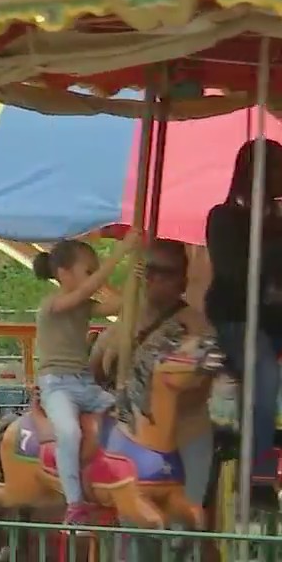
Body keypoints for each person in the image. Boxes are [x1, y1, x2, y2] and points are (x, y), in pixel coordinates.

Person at [91, 240, 216, 506]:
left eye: (165, 272)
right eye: (148, 270)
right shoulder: (126, 320)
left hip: (183, 435)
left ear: (182, 280)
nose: (154, 278)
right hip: (125, 436)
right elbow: (95, 370)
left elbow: (199, 383)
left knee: (183, 524)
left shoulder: (195, 325)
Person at [33, 231, 139, 524]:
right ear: (63, 274)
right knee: (69, 433)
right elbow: (82, 293)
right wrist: (120, 254)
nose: (93, 277)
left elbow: (119, 305)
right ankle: (74, 502)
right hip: (58, 385)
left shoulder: (82, 304)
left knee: (129, 411)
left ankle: (118, 475)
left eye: (93, 271)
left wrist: (134, 270)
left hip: (84, 383)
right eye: (87, 270)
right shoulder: (53, 305)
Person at [204, 138, 282, 506]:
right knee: (263, 369)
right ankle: (260, 477)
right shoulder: (224, 219)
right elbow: (236, 273)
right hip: (236, 317)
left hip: (274, 319)